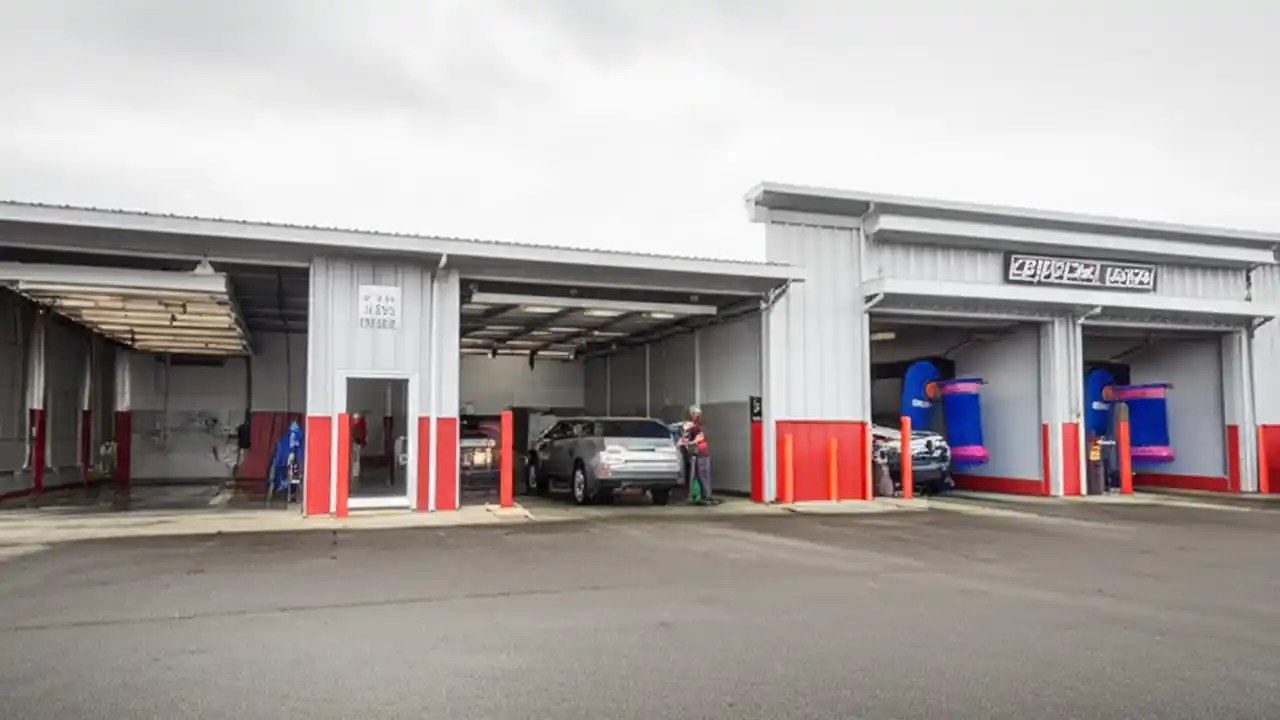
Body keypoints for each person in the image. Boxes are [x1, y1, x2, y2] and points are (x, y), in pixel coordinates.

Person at [680, 406, 716, 505]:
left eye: (698, 414)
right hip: (696, 454)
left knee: (703, 475)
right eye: (695, 414)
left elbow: (700, 438)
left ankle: (706, 496)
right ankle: (700, 495)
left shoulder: (699, 427)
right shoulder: (691, 427)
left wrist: (690, 442)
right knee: (697, 476)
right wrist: (692, 442)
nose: (697, 416)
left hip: (702, 453)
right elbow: (685, 440)